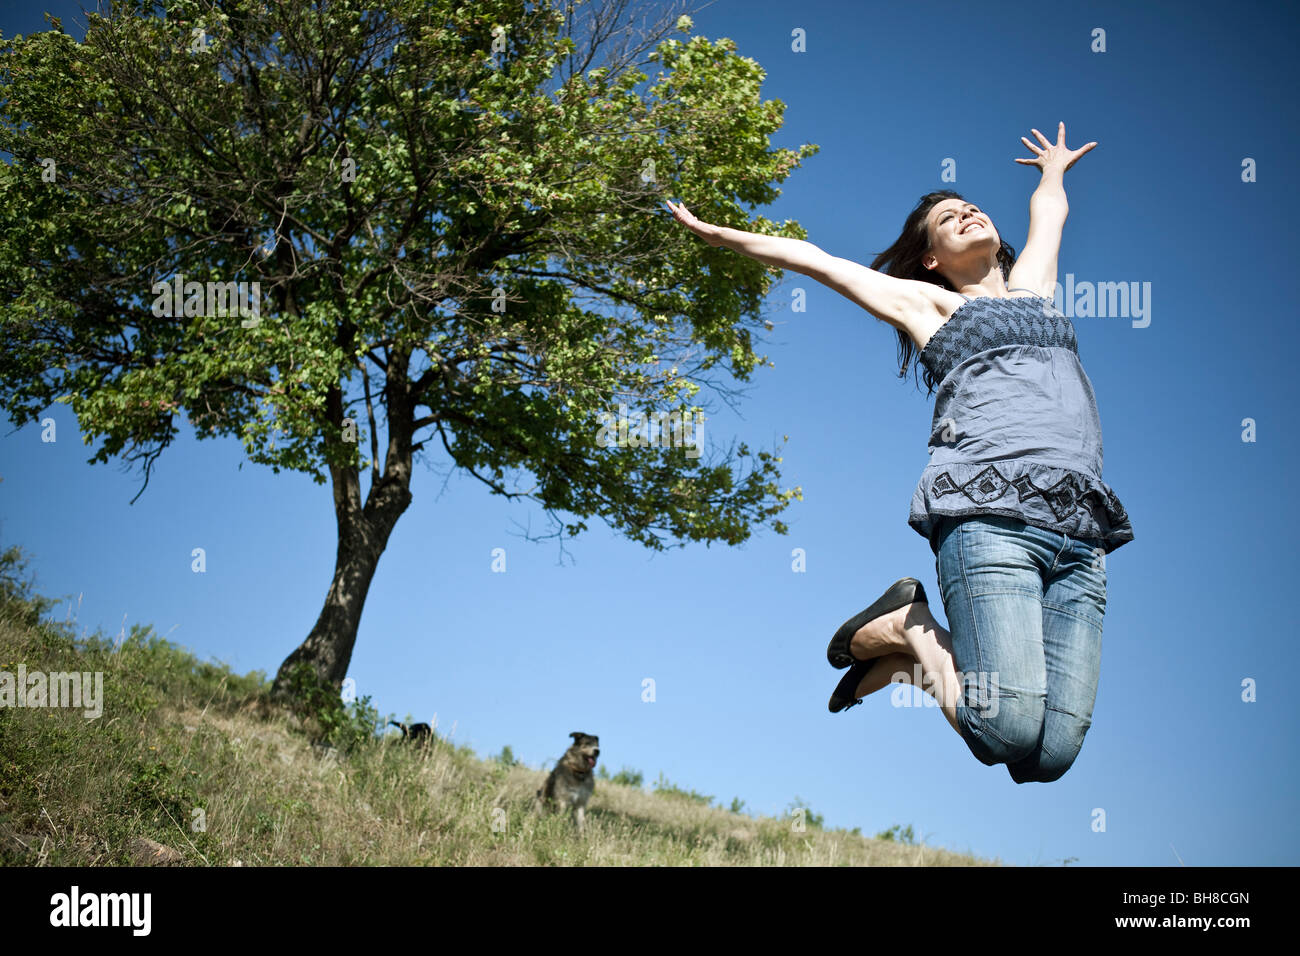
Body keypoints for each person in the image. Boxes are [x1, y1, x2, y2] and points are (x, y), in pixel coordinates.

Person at [665, 122, 1133, 783]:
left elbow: (1049, 216)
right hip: (990, 518)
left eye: (970, 205)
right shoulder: (928, 306)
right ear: (933, 259)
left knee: (1046, 759)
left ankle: (909, 662)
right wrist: (722, 236)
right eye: (947, 218)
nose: (967, 211)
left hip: (1081, 533)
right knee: (1004, 729)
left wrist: (1053, 172)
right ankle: (912, 627)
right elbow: (817, 260)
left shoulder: (1036, 292)